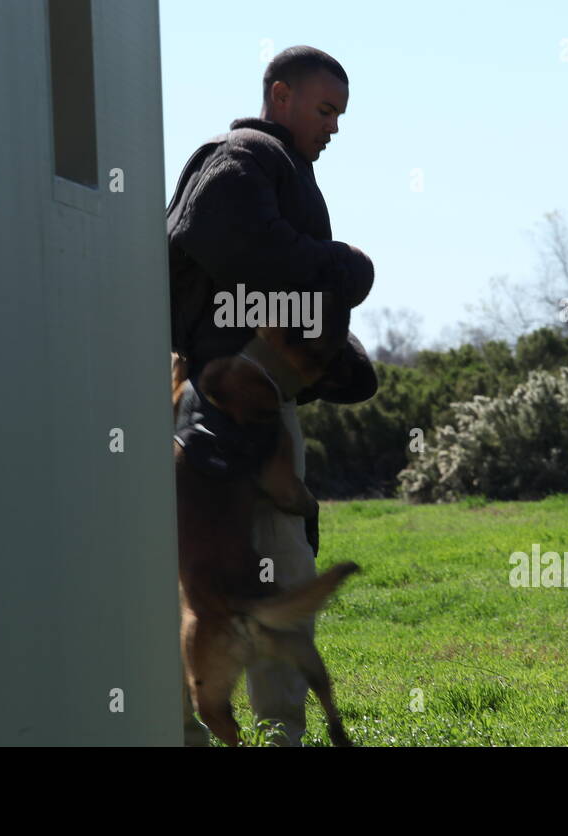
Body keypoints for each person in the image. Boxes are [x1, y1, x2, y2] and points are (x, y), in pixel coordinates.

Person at [167, 45, 377, 745]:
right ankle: (208, 727)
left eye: (340, 115)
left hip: (256, 396)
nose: (334, 128)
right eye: (325, 110)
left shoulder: (281, 172)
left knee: (262, 570)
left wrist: (341, 363)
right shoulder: (244, 156)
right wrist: (344, 266)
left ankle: (277, 730)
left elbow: (284, 295)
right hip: (220, 399)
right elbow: (229, 242)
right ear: (280, 96)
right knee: (225, 575)